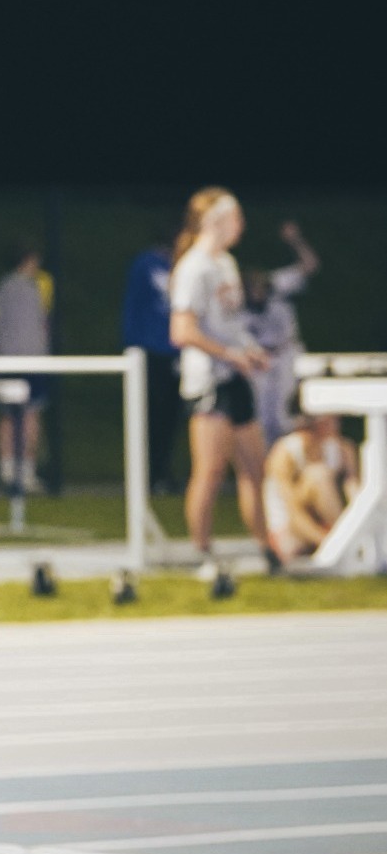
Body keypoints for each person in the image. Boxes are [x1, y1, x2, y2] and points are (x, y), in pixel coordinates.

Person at [168, 186, 277, 592]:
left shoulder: (226, 264)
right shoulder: (193, 267)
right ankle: (202, 553)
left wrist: (250, 350)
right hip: (209, 382)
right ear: (216, 220)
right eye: (236, 218)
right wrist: (230, 354)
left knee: (254, 467)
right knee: (210, 471)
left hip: (235, 379)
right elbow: (181, 331)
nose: (241, 226)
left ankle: (268, 549)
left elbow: (231, 325)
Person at [243, 221, 321, 445]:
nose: (256, 292)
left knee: (288, 413)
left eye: (259, 287)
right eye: (251, 288)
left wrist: (295, 240)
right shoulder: (238, 300)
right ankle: (268, 465)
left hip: (287, 352)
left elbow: (310, 265)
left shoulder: (277, 283)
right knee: (262, 417)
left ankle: (294, 456)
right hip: (261, 359)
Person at [0, 245, 53, 493]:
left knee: (7, 415)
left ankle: (6, 469)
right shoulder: (36, 287)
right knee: (30, 415)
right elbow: (42, 323)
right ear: (27, 260)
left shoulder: (1, 288)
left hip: (5, 359)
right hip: (32, 360)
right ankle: (25, 472)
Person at [120, 237, 181, 493]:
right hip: (149, 351)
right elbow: (133, 302)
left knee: (171, 416)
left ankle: (162, 472)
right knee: (147, 415)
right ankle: (144, 475)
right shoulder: (146, 263)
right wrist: (130, 342)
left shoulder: (185, 264)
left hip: (177, 352)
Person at [263, 404, 358, 563]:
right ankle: (341, 537)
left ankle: (343, 536)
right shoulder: (285, 453)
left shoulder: (342, 448)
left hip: (321, 523)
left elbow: (356, 496)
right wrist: (331, 541)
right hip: (289, 528)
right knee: (318, 476)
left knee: (320, 476)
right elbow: (293, 512)